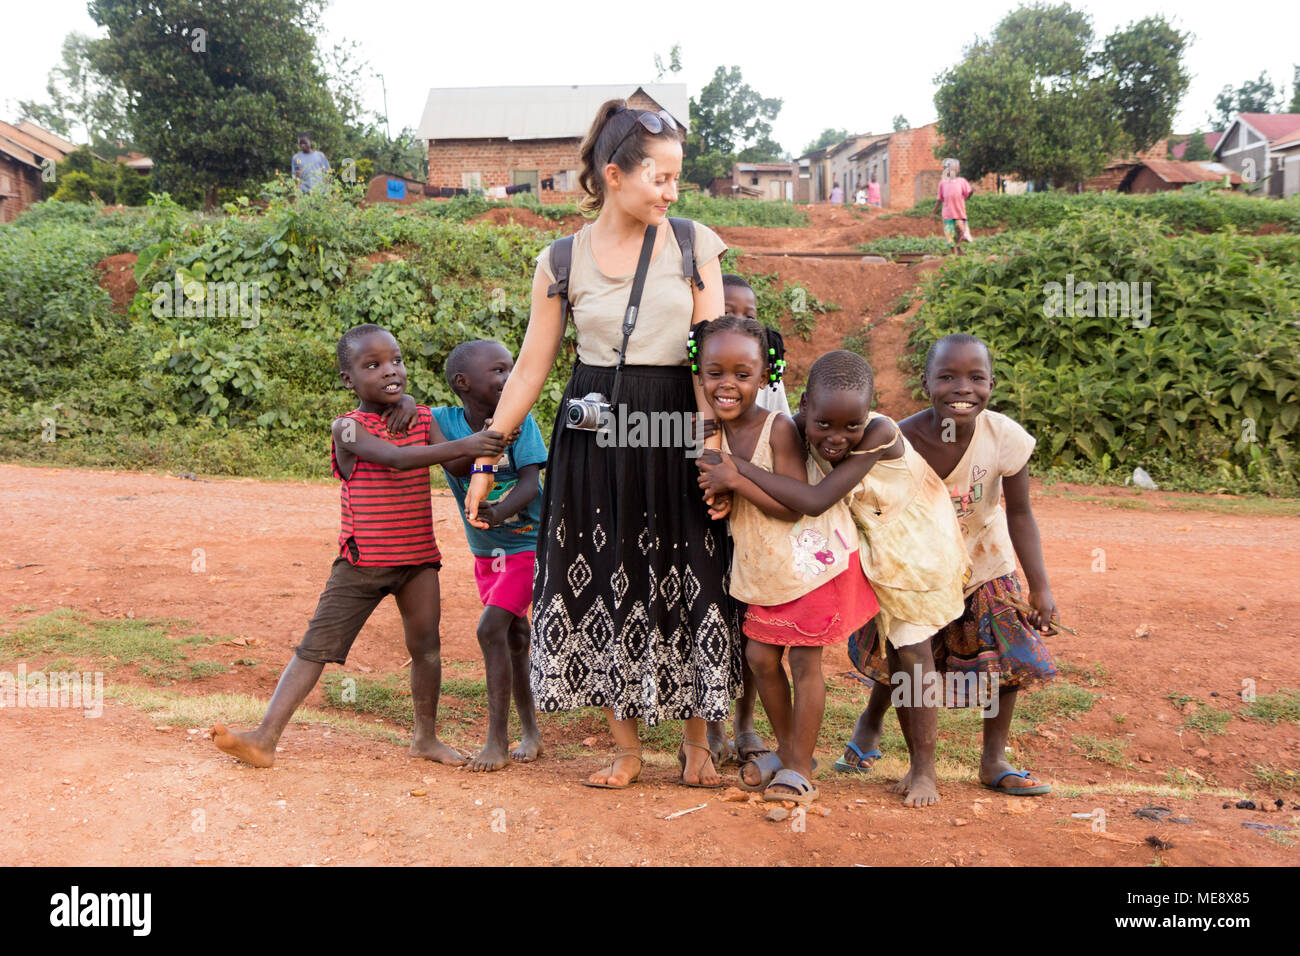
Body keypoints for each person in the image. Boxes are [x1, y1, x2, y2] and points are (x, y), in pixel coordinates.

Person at [462, 99, 740, 791]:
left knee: (690, 575)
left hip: (676, 423)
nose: (672, 193)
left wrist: (715, 450)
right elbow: (531, 366)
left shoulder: (693, 243)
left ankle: (697, 744)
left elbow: (711, 356)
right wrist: (488, 454)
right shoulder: (561, 259)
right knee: (610, 572)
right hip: (597, 437)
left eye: (678, 179)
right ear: (614, 174)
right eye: (661, 178)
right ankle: (624, 748)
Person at [210, 325, 513, 768]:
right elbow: (394, 458)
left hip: (418, 560)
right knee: (316, 648)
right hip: (362, 562)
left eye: (396, 360)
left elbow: (455, 462)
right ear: (348, 380)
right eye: (372, 366)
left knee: (426, 648)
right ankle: (264, 737)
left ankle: (425, 738)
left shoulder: (422, 418)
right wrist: (467, 441)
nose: (390, 371)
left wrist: (488, 438)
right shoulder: (347, 429)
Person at [699, 350, 968, 807]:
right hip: (864, 541)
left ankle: (924, 771)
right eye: (824, 425)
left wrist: (737, 470)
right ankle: (801, 752)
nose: (836, 438)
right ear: (804, 406)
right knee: (891, 653)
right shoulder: (800, 427)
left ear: (870, 412)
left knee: (913, 653)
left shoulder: (879, 432)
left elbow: (816, 498)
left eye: (850, 426)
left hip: (916, 545)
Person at [845, 334, 1059, 795]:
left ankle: (993, 759)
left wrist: (1040, 587)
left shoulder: (1005, 438)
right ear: (926, 383)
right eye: (947, 377)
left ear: (992, 384)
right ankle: (909, 756)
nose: (962, 388)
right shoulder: (897, 440)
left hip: (982, 555)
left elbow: (1019, 512)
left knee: (1003, 655)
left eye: (976, 378)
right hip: (915, 562)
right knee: (907, 654)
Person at [693, 319, 879, 806]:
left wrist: (734, 480)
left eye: (742, 373)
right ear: (699, 374)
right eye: (715, 372)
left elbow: (792, 506)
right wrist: (722, 491)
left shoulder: (776, 428)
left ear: (765, 377)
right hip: (764, 569)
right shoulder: (708, 433)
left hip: (808, 563)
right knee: (758, 658)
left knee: (803, 660)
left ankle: (798, 768)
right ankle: (791, 750)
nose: (727, 385)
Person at [431, 340, 546, 772]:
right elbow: (458, 465)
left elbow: (531, 484)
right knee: (515, 636)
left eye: (511, 369)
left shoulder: (521, 420)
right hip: (487, 554)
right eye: (497, 371)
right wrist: (404, 402)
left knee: (490, 630)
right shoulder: (442, 421)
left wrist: (498, 511)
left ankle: (496, 740)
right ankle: (531, 733)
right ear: (464, 383)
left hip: (528, 547)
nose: (508, 378)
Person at [701, 274, 788, 768]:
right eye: (726, 309)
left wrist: (739, 482)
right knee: (712, 617)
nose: (738, 318)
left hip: (756, 523)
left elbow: (781, 450)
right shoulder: (704, 382)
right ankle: (712, 723)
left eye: (748, 313)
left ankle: (745, 723)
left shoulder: (767, 384)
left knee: (751, 623)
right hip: (707, 513)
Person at [933, 159, 974, 253]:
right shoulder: (942, 183)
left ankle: (959, 245)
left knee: (961, 230)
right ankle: (953, 252)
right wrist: (934, 211)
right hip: (948, 213)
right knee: (949, 233)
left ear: (958, 170)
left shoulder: (962, 181)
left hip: (959, 212)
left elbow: (967, 195)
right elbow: (939, 199)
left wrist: (971, 191)